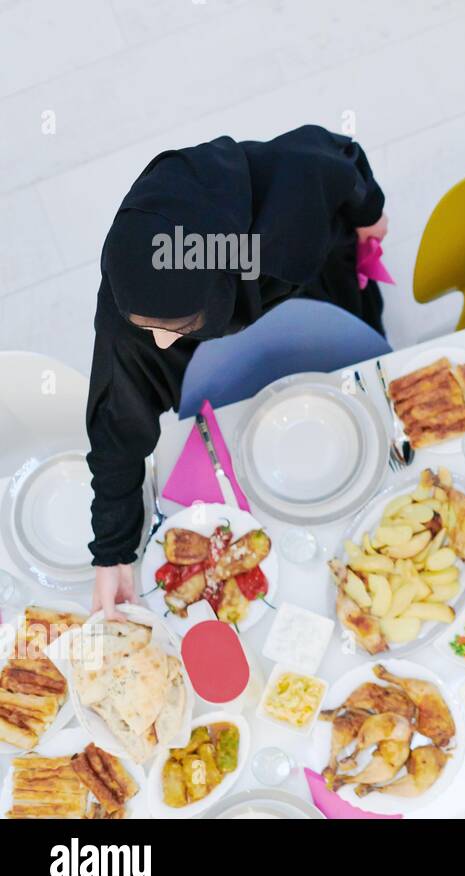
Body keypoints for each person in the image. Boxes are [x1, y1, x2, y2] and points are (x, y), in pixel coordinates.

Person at [88, 125, 388, 619]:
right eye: (148, 328)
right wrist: (112, 551)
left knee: (351, 346)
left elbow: (341, 162)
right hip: (235, 386)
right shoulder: (134, 304)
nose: (159, 342)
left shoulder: (287, 197)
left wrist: (369, 212)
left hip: (313, 287)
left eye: (175, 326)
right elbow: (117, 427)